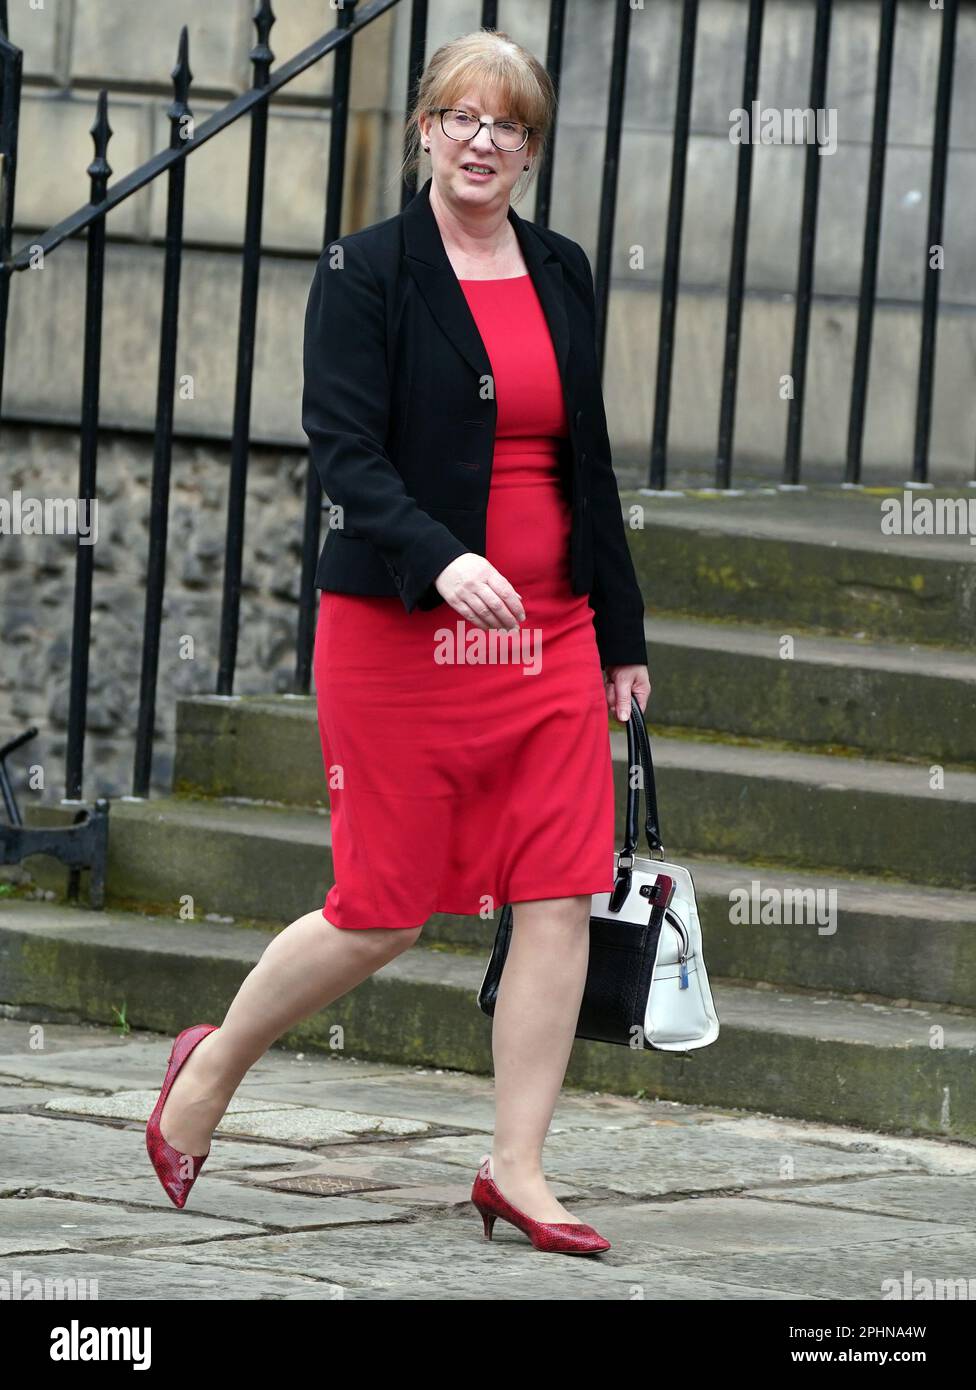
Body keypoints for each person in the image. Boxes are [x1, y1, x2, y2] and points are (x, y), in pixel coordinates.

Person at [147, 29, 651, 1255]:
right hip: (401, 632)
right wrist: (438, 552)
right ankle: (210, 1068)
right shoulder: (366, 272)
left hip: (551, 631)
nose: (485, 142)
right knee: (383, 905)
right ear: (425, 127)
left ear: (531, 150)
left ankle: (517, 1168)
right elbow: (343, 449)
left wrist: (621, 634)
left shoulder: (564, 270)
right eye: (463, 119)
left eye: (511, 126)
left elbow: (586, 461)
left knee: (557, 890)